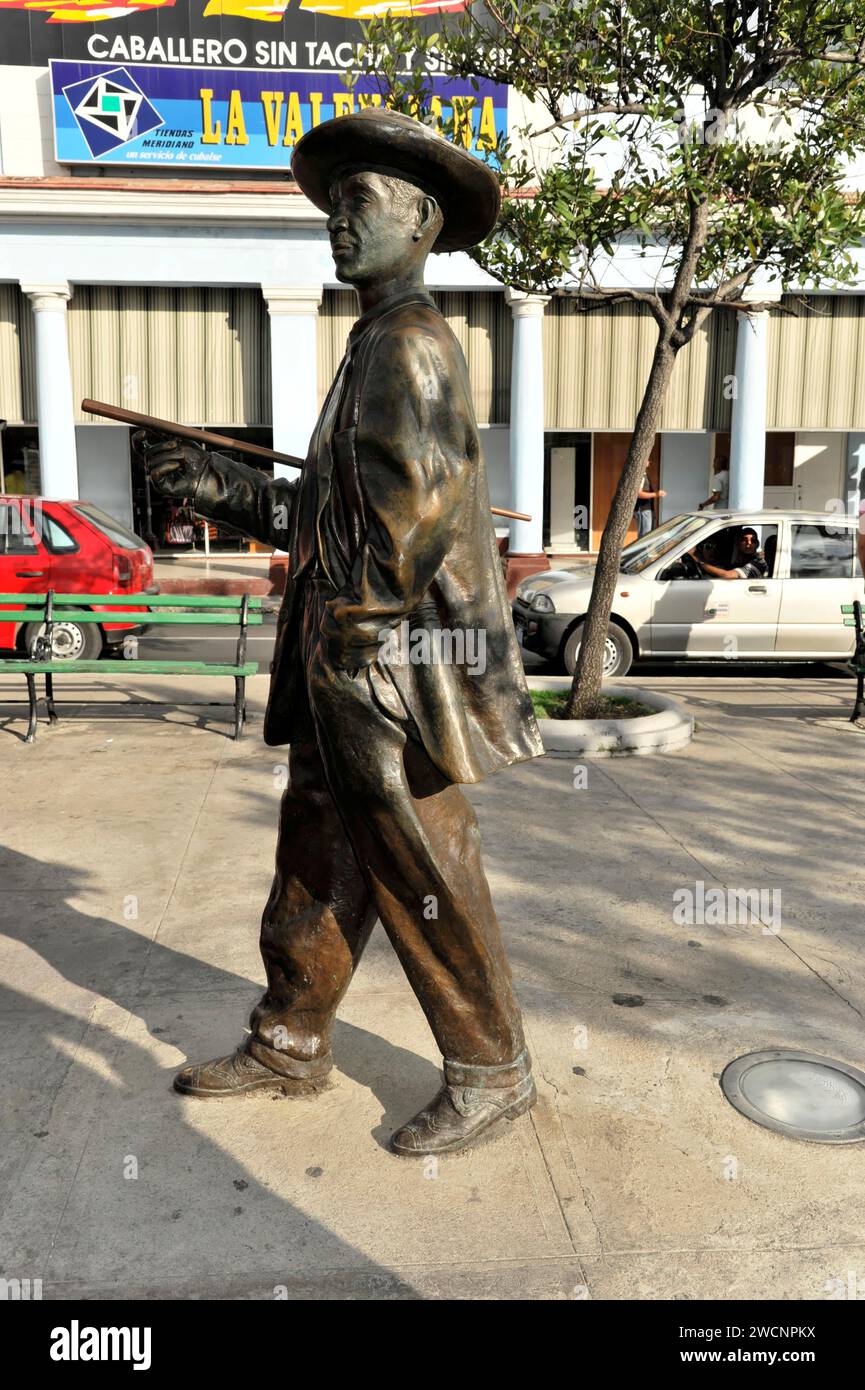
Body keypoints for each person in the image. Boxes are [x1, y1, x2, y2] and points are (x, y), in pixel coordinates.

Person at [133, 109, 544, 1157]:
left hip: (387, 664)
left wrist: (355, 634)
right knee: (317, 851)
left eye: (357, 206)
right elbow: (326, 512)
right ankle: (290, 1036)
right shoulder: (373, 342)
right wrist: (219, 486)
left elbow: (409, 527)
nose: (336, 226)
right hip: (340, 653)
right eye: (333, 207)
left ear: (420, 222)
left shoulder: (413, 347)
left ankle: (493, 1069)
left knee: (422, 866)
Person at [690, 526, 768, 580]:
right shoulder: (737, 562)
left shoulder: (759, 563)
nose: (749, 543)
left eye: (753, 541)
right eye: (744, 540)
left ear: (757, 544)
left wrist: (700, 563)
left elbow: (728, 575)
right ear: (738, 543)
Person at [633, 467, 666, 537]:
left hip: (648, 510)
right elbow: (638, 494)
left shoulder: (645, 474)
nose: (649, 462)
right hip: (643, 510)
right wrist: (656, 494)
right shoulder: (640, 476)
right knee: (644, 538)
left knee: (649, 536)